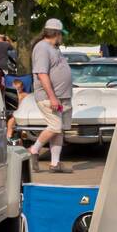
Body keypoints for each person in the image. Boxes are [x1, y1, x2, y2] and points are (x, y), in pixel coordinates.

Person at [28, 19, 73, 174]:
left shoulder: (53, 48)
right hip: (49, 97)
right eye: (61, 34)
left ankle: (55, 164)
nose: (62, 38)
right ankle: (34, 149)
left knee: (58, 131)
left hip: (62, 96)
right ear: (57, 33)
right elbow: (42, 74)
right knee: (55, 126)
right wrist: (52, 97)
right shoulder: (42, 48)